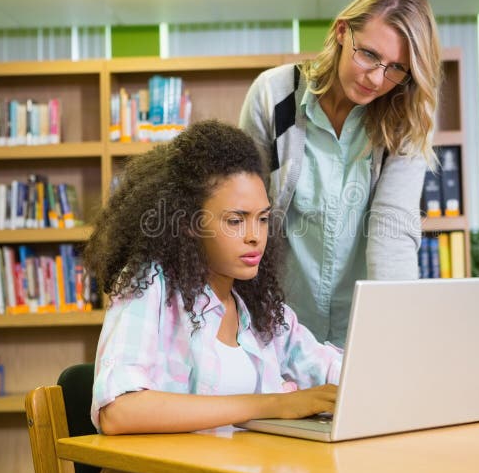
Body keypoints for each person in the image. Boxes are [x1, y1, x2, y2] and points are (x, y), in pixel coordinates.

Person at [85, 120, 342, 435]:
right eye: (236, 220)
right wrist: (272, 404)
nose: (255, 237)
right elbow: (119, 411)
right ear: (190, 223)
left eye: (262, 219)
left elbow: (329, 368)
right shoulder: (151, 283)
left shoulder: (259, 305)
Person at [239, 0, 441, 346]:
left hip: (362, 334)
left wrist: (396, 338)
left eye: (397, 68)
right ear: (342, 31)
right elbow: (241, 215)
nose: (378, 79)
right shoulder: (273, 96)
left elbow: (392, 230)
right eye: (369, 55)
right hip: (277, 330)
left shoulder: (407, 119)